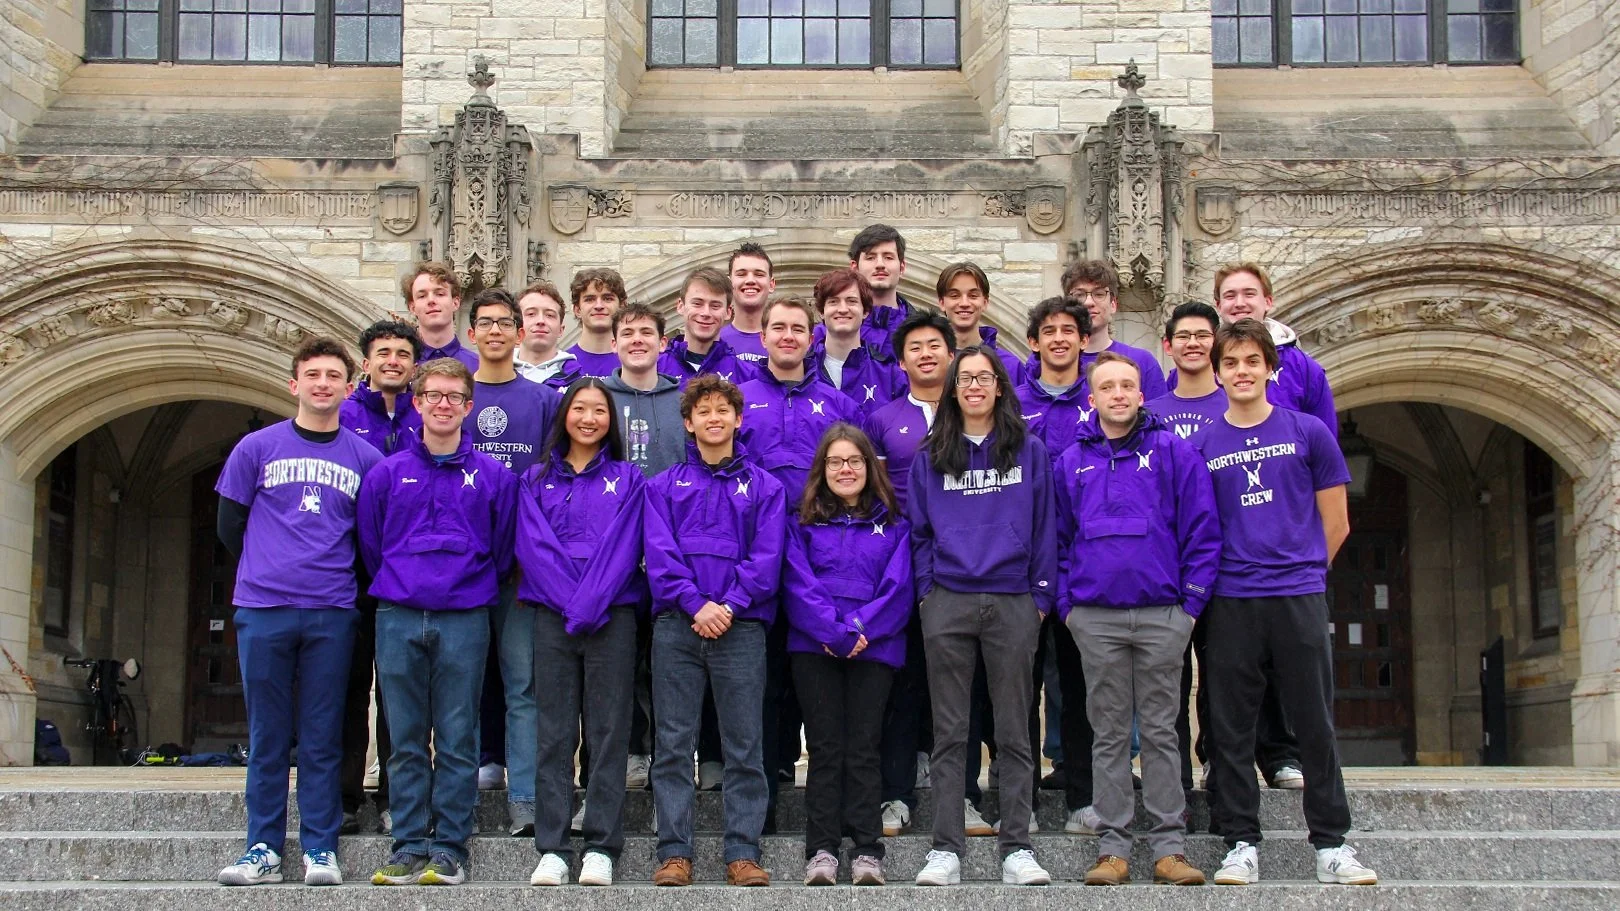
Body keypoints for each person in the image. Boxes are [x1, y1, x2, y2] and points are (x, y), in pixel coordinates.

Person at [1195, 320, 1377, 887]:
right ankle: (1240, 842)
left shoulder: (1308, 432)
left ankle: (1331, 844)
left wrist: (1301, 573)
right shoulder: (1200, 443)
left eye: (1253, 361)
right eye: (1232, 362)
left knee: (1313, 724)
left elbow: (1337, 521)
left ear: (1271, 369)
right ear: (1218, 372)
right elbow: (1198, 526)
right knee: (1231, 728)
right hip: (1229, 601)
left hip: (1296, 595)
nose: (1242, 371)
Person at [215, 337, 383, 888]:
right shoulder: (256, 448)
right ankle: (261, 847)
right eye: (312, 375)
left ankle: (319, 847)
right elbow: (229, 526)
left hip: (331, 612)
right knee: (268, 735)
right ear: (294, 384)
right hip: (263, 608)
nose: (322, 384)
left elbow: (371, 537)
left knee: (321, 735)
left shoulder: (365, 458)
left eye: (334, 376)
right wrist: (270, 568)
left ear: (349, 386)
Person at [1055, 351, 1220, 887]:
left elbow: (1201, 530)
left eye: (1128, 385)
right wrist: (1068, 607)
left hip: (1161, 615)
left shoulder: (1173, 452)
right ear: (1093, 398)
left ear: (1141, 394)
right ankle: (1114, 849)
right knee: (1106, 734)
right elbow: (1056, 539)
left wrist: (1189, 608)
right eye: (1108, 387)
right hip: (1095, 618)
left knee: (1160, 734)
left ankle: (1170, 846)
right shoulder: (1069, 461)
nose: (1119, 394)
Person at [358, 357, 517, 887]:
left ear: (469, 407)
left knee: (456, 737)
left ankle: (449, 846)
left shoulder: (494, 476)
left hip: (465, 617)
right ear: (418, 403)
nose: (444, 404)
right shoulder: (386, 474)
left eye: (455, 396)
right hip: (398, 615)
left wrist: (461, 587)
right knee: (404, 737)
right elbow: (372, 545)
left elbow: (501, 549)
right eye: (434, 396)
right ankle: (407, 843)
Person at [908, 347, 1056, 888]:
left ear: (999, 386)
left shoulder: (1029, 451)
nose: (973, 386)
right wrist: (928, 593)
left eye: (983, 377)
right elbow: (919, 532)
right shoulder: (931, 454)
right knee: (950, 733)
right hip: (948, 599)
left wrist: (1040, 597)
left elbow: (1045, 527)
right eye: (964, 378)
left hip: (1013, 599)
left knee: (1015, 731)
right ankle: (946, 848)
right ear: (952, 389)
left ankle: (1017, 846)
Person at [643, 375, 786, 887]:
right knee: (675, 744)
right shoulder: (661, 487)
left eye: (723, 410)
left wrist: (727, 605)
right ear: (688, 422)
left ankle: (742, 852)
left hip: (741, 630)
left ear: (738, 419)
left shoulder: (768, 488)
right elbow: (660, 558)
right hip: (677, 629)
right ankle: (675, 853)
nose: (713, 418)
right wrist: (696, 604)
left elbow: (767, 560)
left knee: (744, 745)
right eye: (702, 411)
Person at [520, 378, 649, 887]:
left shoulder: (629, 478)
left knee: (609, 731)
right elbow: (533, 547)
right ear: (564, 415)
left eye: (599, 410)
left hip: (610, 616)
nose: (589, 418)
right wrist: (573, 604)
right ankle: (553, 846)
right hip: (554, 617)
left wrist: (590, 602)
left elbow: (624, 549)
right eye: (580, 408)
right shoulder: (533, 479)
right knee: (553, 734)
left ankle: (600, 843)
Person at [738, 294, 860, 820]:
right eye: (778, 328)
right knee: (761, 678)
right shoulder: (738, 400)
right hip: (756, 558)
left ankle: (832, 792)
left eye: (797, 329)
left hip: (822, 562)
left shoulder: (840, 406)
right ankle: (764, 786)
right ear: (761, 337)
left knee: (818, 673)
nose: (788, 336)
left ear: (812, 339)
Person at [785, 423, 913, 887]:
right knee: (824, 748)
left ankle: (865, 849)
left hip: (874, 647)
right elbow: (797, 583)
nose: (845, 469)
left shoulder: (895, 524)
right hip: (813, 646)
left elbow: (898, 588)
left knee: (862, 748)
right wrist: (830, 630)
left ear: (869, 468)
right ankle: (821, 849)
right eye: (835, 461)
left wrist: (857, 629)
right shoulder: (801, 521)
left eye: (854, 461)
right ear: (822, 468)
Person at [466, 288, 561, 837]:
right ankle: (457, 796)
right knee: (460, 687)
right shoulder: (453, 392)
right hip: (460, 568)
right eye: (487, 323)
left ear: (520, 334)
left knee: (524, 686)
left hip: (522, 570)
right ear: (472, 332)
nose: (497, 331)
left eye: (508, 323)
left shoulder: (544, 401)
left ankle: (525, 798)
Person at [865, 311, 954, 839]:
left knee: (956, 688)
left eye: (934, 346)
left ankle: (958, 794)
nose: (925, 354)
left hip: (961, 566)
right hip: (900, 562)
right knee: (901, 682)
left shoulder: (973, 414)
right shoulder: (882, 418)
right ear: (901, 362)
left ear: (951, 354)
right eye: (915, 348)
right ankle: (895, 793)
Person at [1014, 294, 1099, 834]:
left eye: (1070, 330)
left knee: (1076, 684)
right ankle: (1015, 793)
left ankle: (1081, 793)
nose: (1060, 338)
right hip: (1018, 563)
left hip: (1080, 561)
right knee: (1017, 685)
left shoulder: (1103, 396)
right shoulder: (1013, 402)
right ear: (1034, 341)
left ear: (1083, 341)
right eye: (1050, 330)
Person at [337, 320, 424, 836]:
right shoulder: (344, 416)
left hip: (409, 578)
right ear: (365, 362)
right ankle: (345, 799)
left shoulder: (424, 414)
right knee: (349, 690)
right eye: (382, 352)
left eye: (402, 353)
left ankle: (397, 797)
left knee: (400, 698)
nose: (393, 360)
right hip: (350, 575)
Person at [602, 302, 685, 789]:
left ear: (661, 342)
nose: (637, 340)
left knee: (669, 658)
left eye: (646, 333)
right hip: (613, 552)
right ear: (614, 342)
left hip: (671, 551)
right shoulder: (596, 397)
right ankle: (632, 751)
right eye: (628, 332)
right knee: (621, 658)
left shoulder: (682, 400)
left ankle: (672, 752)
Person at [1212, 262, 1337, 439]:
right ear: (1219, 305)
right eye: (1230, 296)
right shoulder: (1202, 366)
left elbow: (1325, 444)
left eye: (1249, 294)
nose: (1239, 303)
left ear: (1268, 301)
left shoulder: (1303, 367)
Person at [1050, 259, 1166, 400]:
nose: (1089, 302)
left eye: (1099, 294)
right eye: (1079, 295)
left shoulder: (1143, 362)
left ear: (1113, 304)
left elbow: (1155, 418)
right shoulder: (1048, 362)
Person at [809, 267, 905, 411]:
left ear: (865, 311)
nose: (842, 309)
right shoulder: (803, 369)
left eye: (851, 301)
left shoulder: (889, 374)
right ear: (822, 311)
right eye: (833, 302)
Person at [658, 267, 756, 386]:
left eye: (715, 306)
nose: (706, 313)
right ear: (680, 306)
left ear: (728, 312)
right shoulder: (655, 369)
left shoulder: (748, 376)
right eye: (697, 303)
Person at [937, 261, 1024, 385]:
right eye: (955, 295)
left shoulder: (1010, 366)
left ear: (985, 302)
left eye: (973, 295)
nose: (964, 303)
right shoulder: (930, 364)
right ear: (941, 302)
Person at [845, 224, 917, 359]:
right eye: (870, 257)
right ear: (854, 268)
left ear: (902, 267)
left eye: (888, 257)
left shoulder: (921, 330)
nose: (880, 264)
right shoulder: (834, 328)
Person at [401, 261, 478, 370]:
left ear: (455, 303)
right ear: (412, 308)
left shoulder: (478, 367)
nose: (431, 300)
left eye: (440, 294)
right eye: (422, 296)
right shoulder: (402, 368)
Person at [514, 280, 580, 385]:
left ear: (560, 329)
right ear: (516, 325)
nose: (541, 321)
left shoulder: (576, 379)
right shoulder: (496, 375)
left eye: (549, 315)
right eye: (531, 314)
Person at [720, 242, 775, 363]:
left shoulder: (784, 342)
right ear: (729, 283)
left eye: (759, 274)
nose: (750, 280)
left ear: (771, 284)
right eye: (741, 274)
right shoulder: (715, 341)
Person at [568, 268, 627, 377]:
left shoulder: (636, 363)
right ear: (577, 310)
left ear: (622, 306)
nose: (599, 306)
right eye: (589, 299)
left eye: (607, 298)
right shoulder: (563, 364)